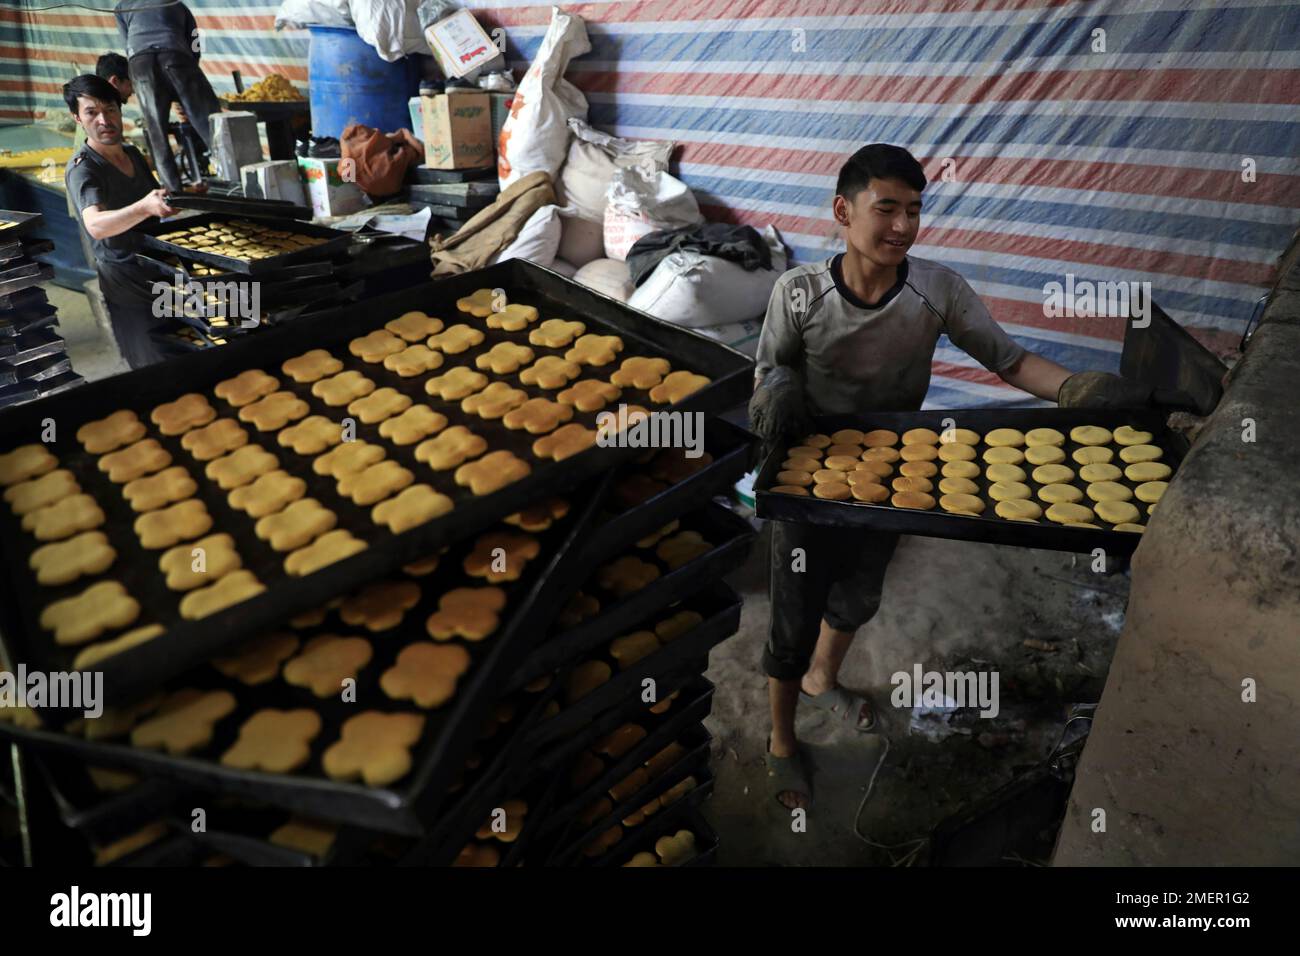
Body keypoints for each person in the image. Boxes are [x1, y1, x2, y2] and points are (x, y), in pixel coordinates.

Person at [749, 143, 1170, 812]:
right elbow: (770, 367)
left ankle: (823, 679)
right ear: (842, 210)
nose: (903, 226)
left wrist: (1076, 390)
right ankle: (779, 741)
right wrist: (775, 387)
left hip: (895, 472)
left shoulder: (936, 289)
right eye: (885, 208)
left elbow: (1009, 360)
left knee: (858, 597)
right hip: (810, 475)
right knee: (792, 616)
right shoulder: (798, 293)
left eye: (915, 210)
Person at [63, 73, 177, 369]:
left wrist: (178, 198)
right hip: (126, 281)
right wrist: (144, 207)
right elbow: (96, 224)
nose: (104, 120)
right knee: (153, 363)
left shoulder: (131, 154)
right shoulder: (84, 169)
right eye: (92, 112)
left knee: (182, 347)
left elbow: (153, 200)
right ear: (77, 118)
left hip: (161, 270)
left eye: (110, 109)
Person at [115, 0, 221, 193]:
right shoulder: (177, 4)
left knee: (156, 131)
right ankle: (234, 179)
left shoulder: (122, 7)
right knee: (212, 123)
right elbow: (195, 41)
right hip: (176, 56)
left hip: (141, 64)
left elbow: (128, 46)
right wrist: (188, 80)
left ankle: (172, 193)